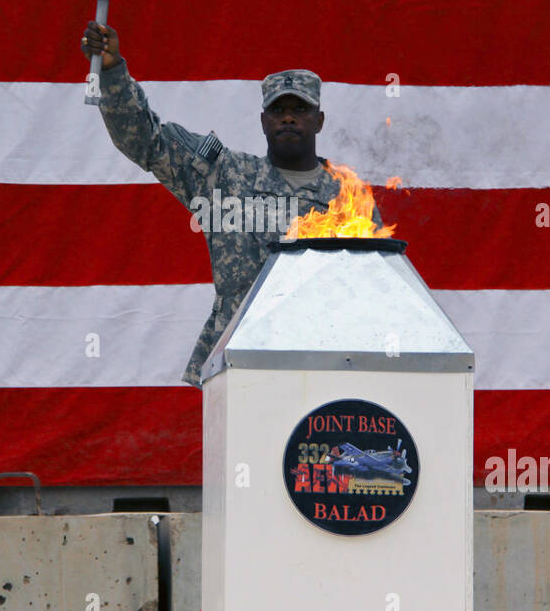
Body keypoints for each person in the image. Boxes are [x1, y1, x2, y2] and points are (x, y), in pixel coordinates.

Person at [81, 22, 377, 387]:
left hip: (325, 364)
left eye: (299, 109)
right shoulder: (225, 176)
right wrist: (112, 72)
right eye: (278, 109)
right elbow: (147, 140)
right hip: (240, 360)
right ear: (263, 121)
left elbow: (373, 290)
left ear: (319, 121)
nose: (288, 117)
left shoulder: (346, 199)